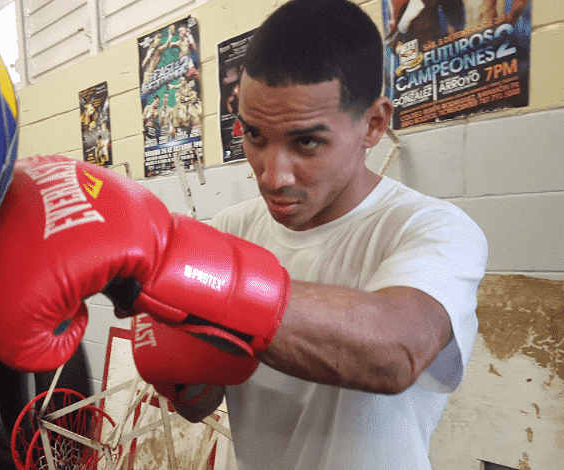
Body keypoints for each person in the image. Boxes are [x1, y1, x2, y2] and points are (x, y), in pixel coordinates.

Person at [158, 0, 487, 468]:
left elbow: (395, 351)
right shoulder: (230, 232)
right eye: (254, 137)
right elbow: (199, 404)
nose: (274, 175)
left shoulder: (432, 229)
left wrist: (187, 279)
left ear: (374, 124)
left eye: (306, 142)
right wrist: (180, 366)